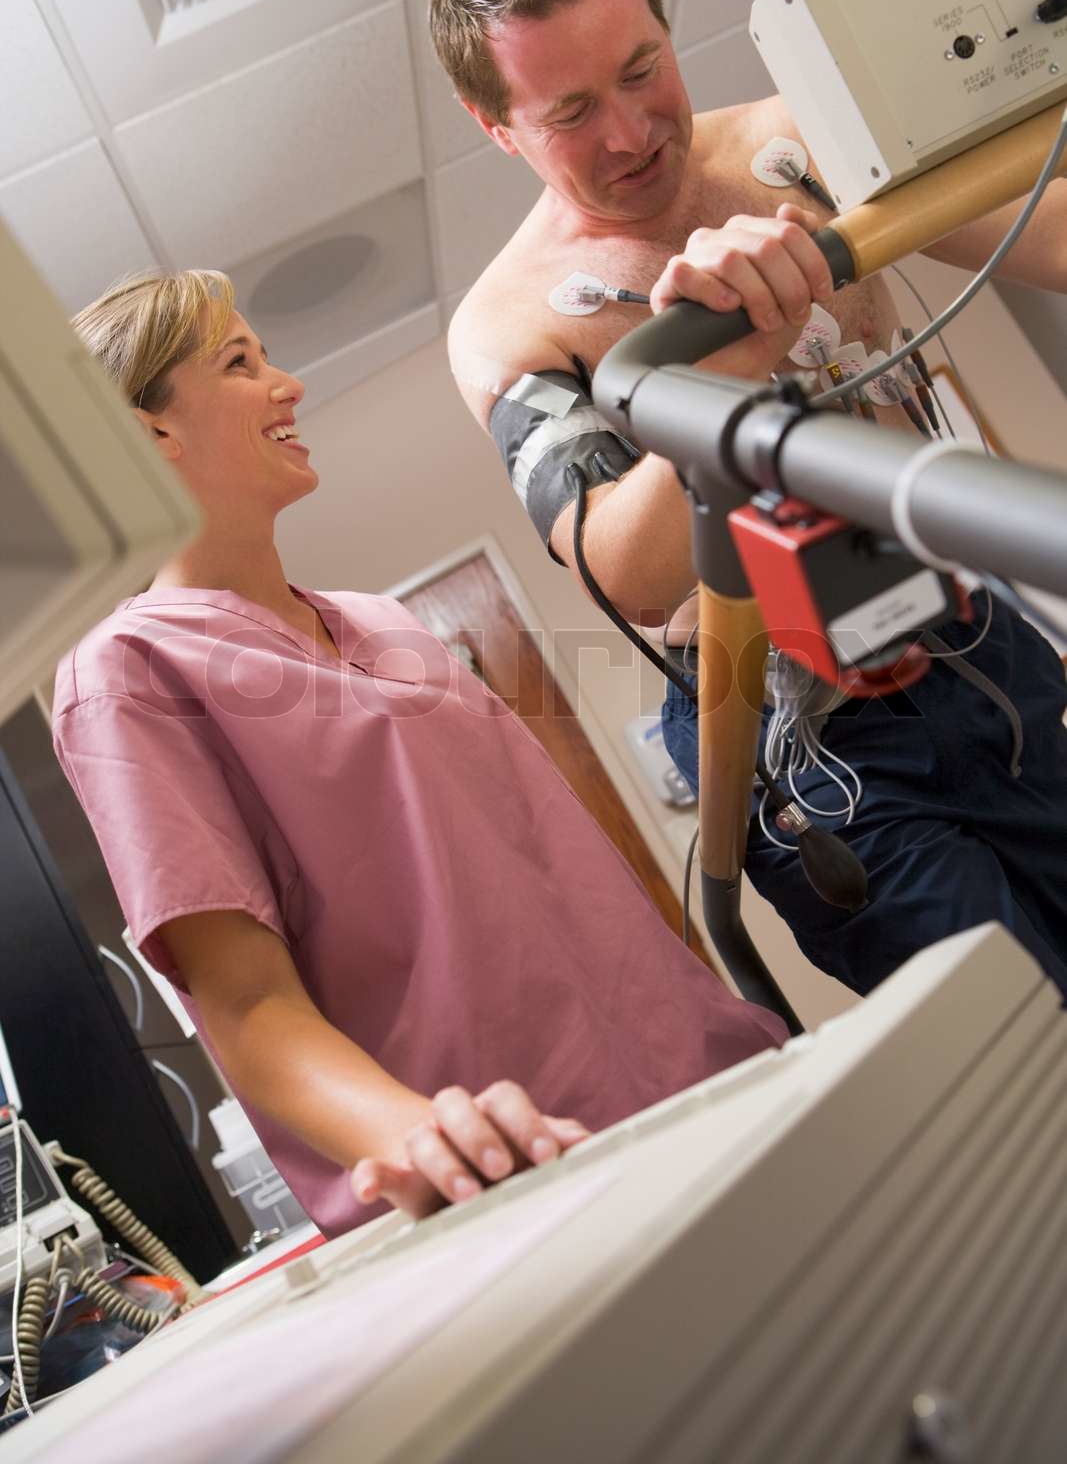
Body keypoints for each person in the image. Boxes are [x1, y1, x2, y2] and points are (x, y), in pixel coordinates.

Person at [52, 269, 786, 1240]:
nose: (287, 385)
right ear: (146, 439)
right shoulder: (129, 671)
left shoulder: (379, 621)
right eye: (238, 365)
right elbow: (247, 1004)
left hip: (690, 1072)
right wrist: (426, 1137)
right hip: (506, 1170)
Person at [431, 0, 1067, 998]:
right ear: (498, 128)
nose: (629, 133)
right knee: (1025, 1030)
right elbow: (622, 566)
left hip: (963, 631)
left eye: (640, 70)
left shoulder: (792, 140)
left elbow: (1042, 232)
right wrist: (712, 376)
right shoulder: (509, 320)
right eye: (570, 110)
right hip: (788, 720)